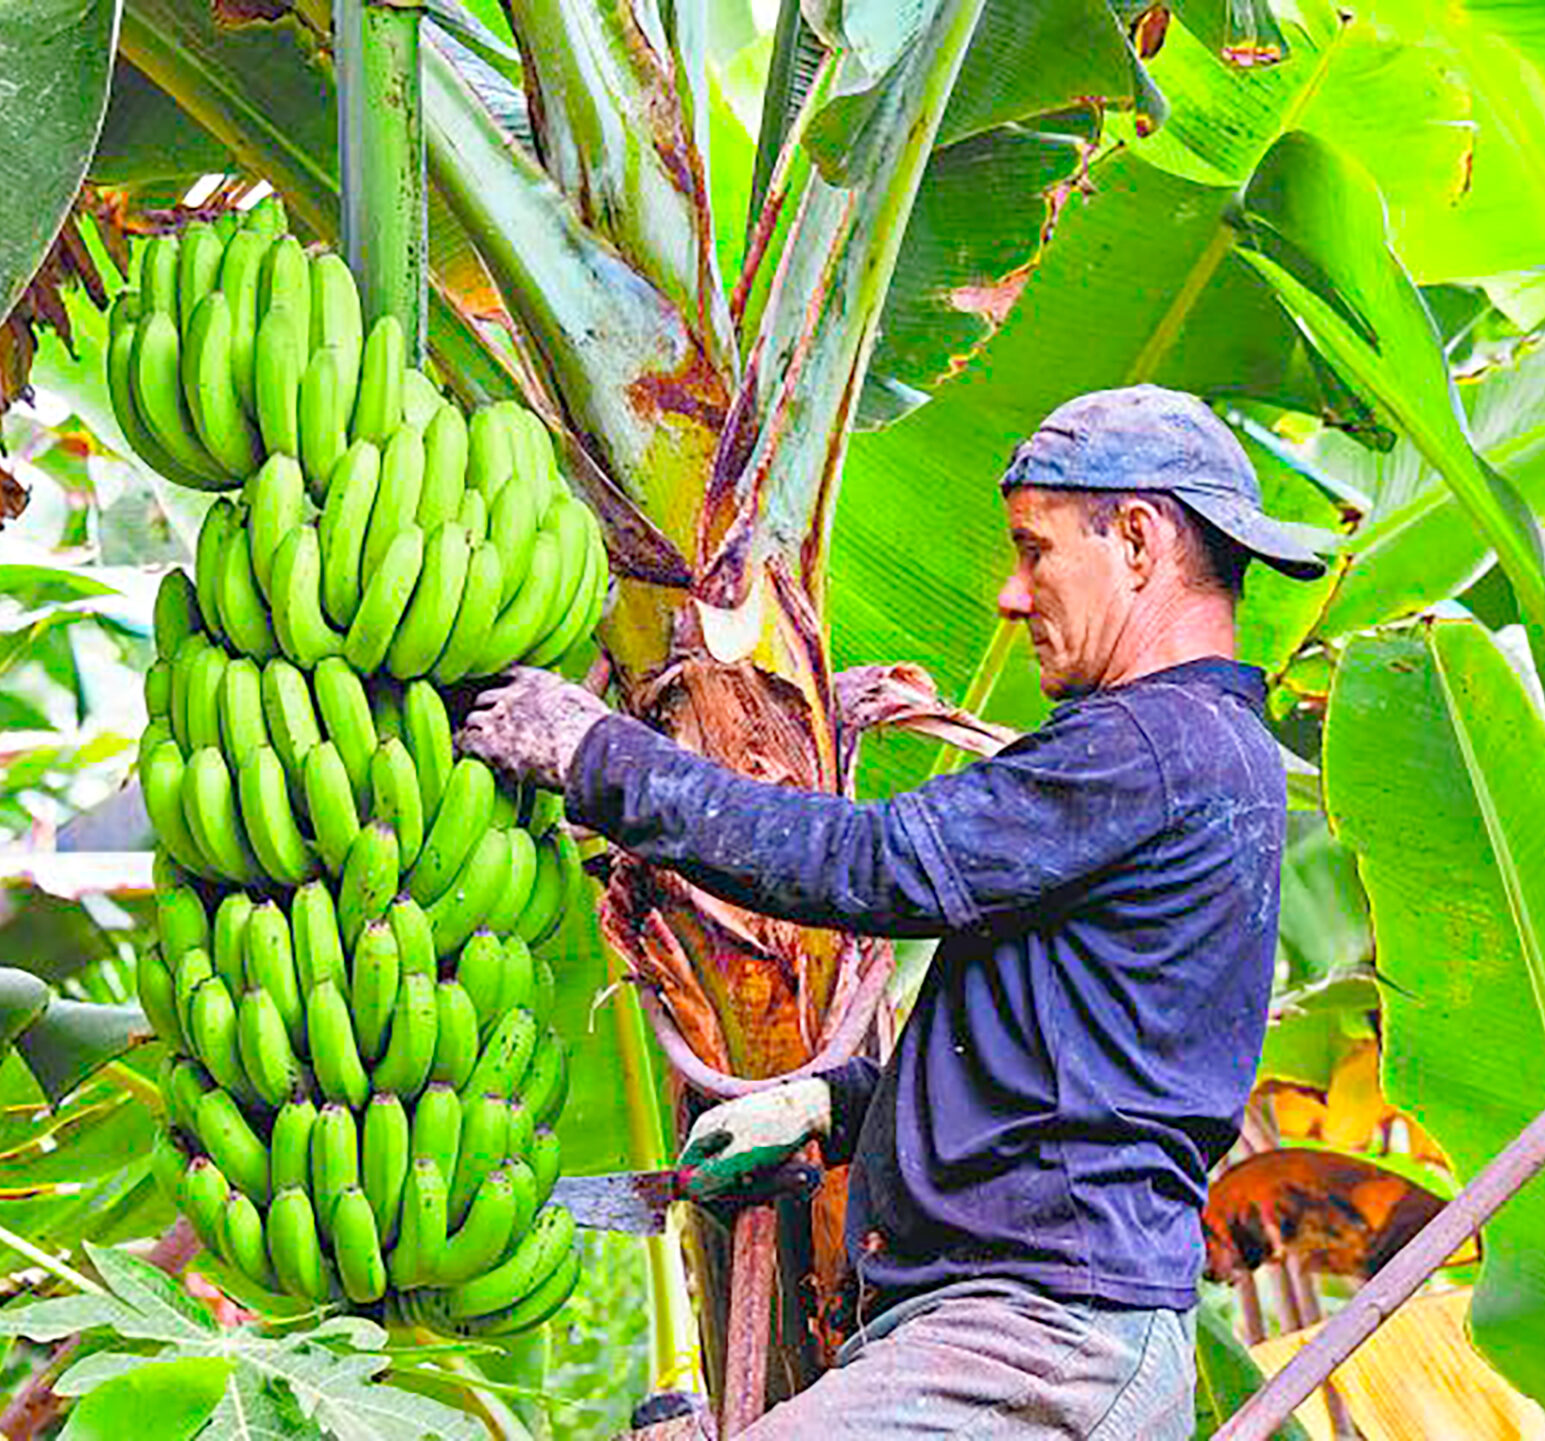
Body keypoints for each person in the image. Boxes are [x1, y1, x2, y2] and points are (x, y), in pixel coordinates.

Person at [457, 384, 1334, 1439]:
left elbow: (872, 863)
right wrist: (838, 1106)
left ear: (1139, 540)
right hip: (1019, 1333)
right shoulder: (1189, 752)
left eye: (1034, 550)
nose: (1012, 596)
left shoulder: (1151, 745)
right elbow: (1074, 1068)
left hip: (1037, 1344)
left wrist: (594, 755)